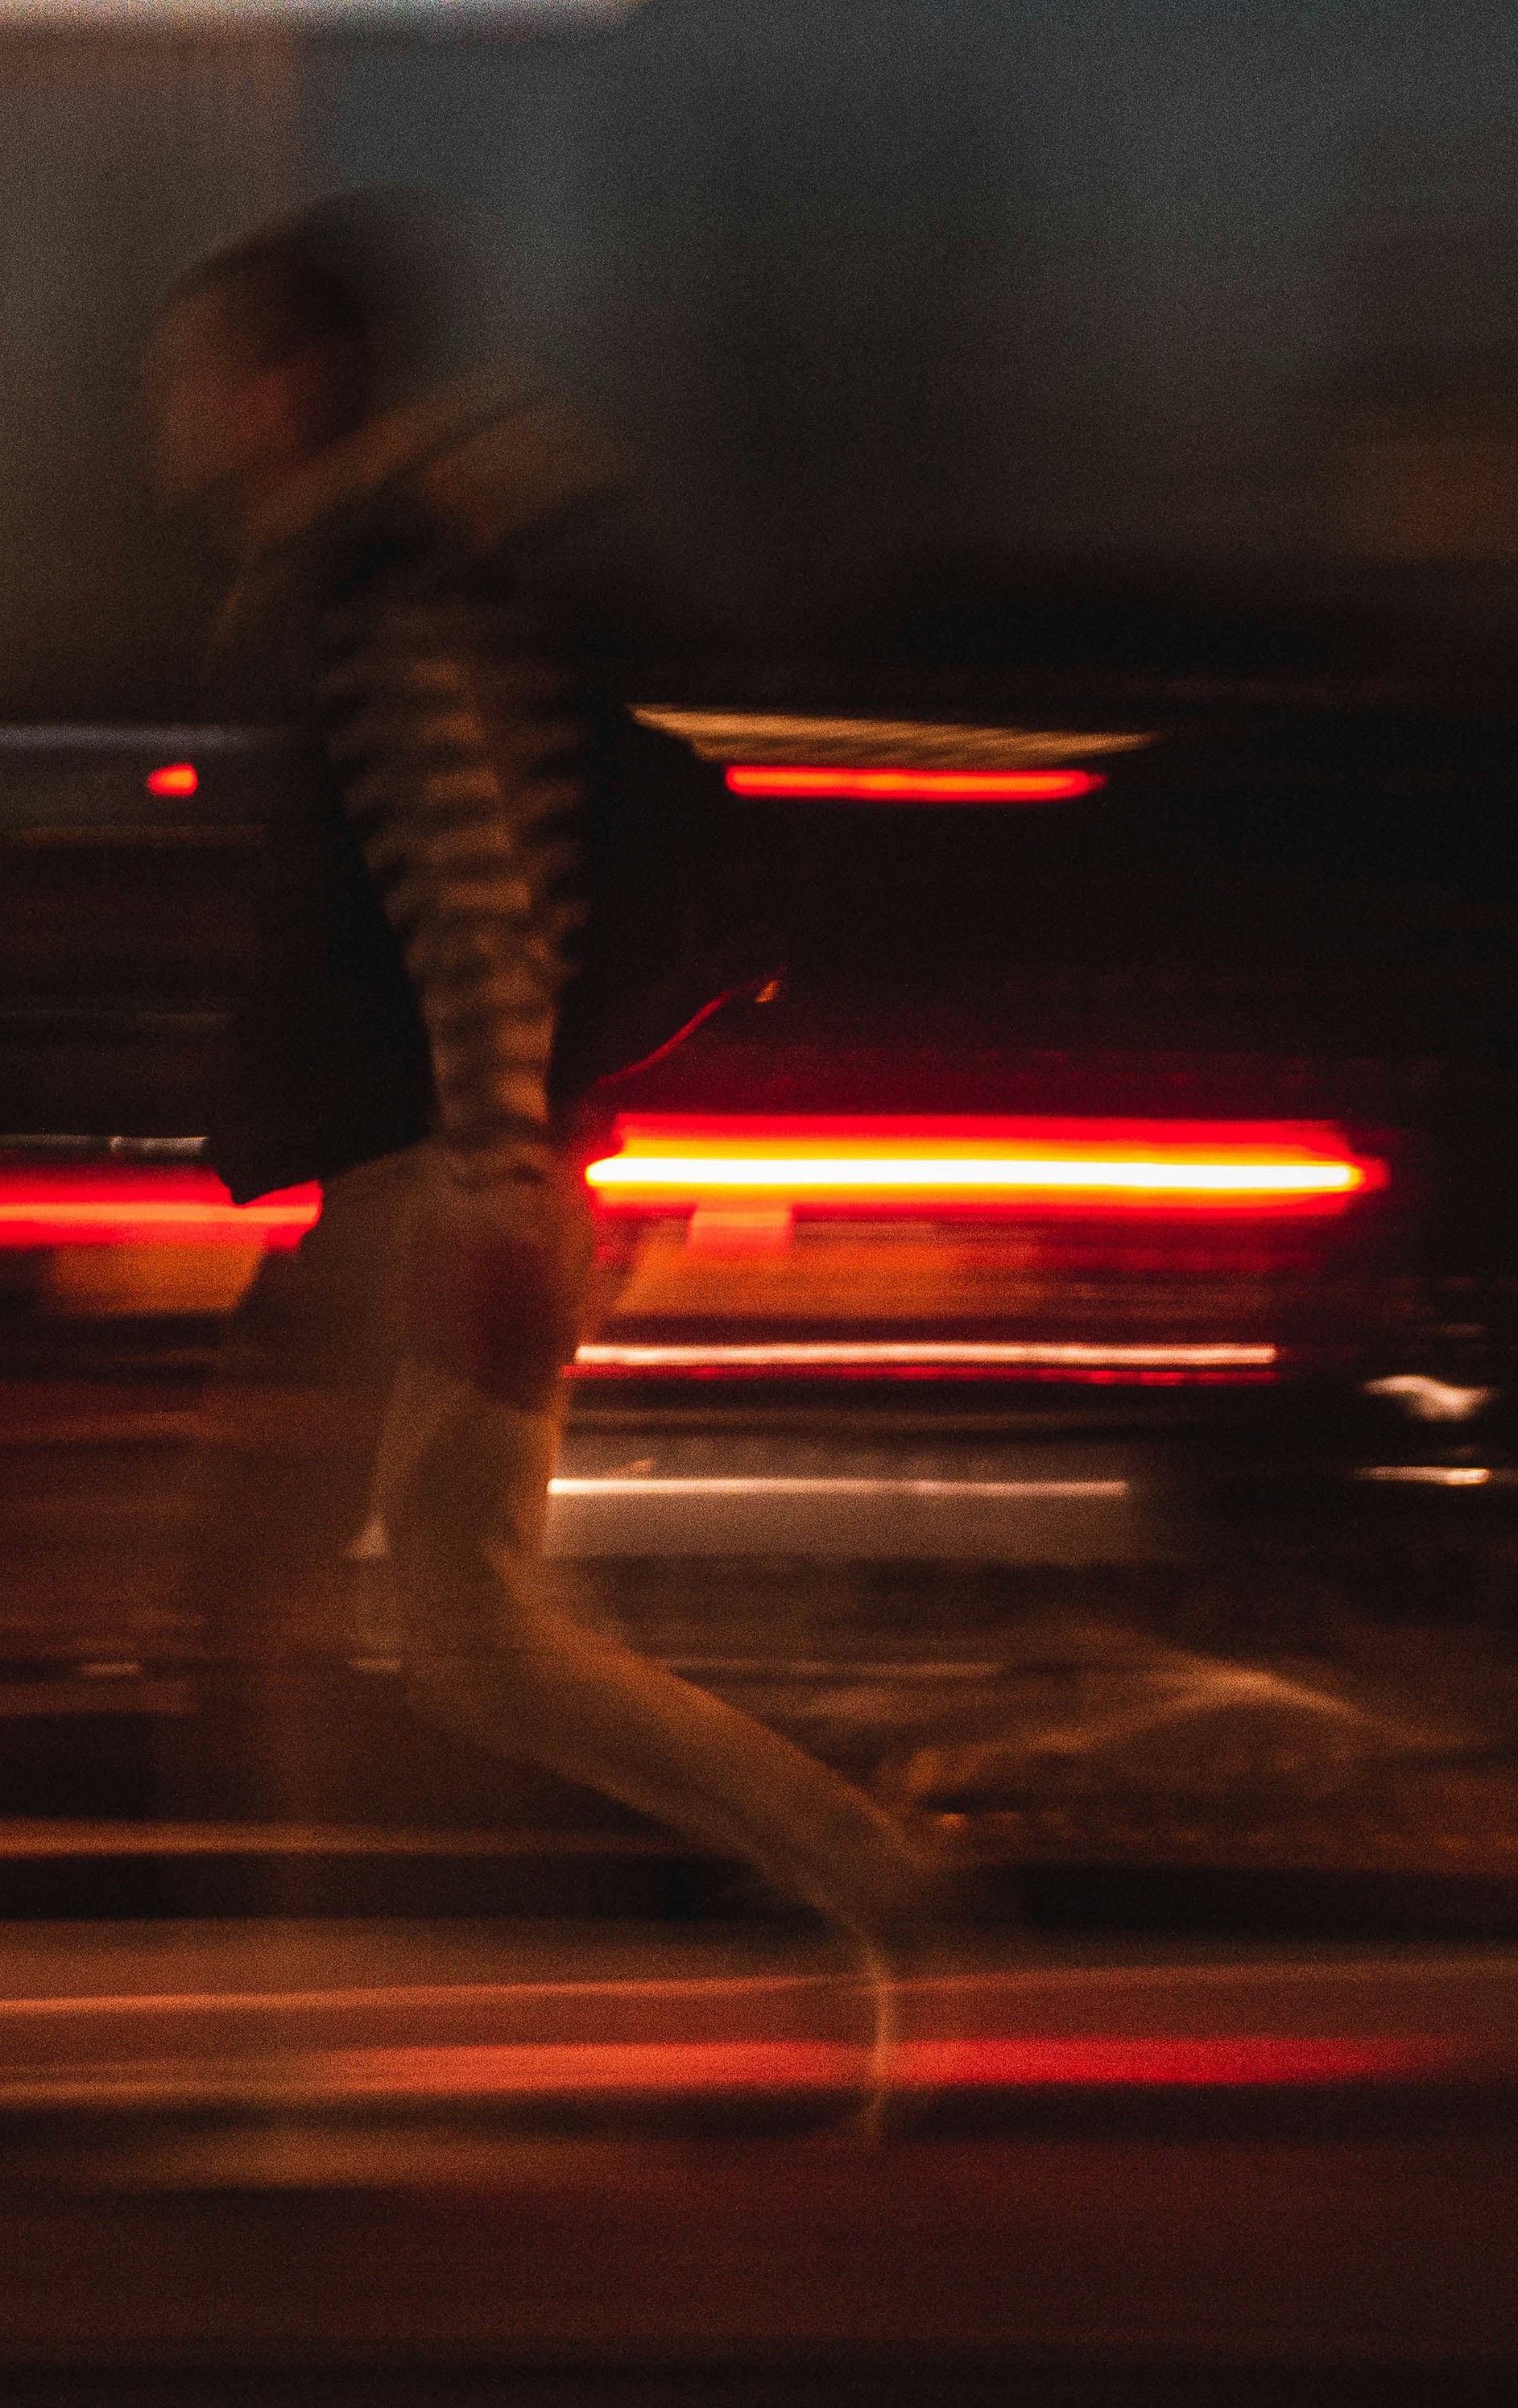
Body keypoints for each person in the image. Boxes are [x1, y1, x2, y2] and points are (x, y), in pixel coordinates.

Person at [142, 194, 939, 2126]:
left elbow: (480, 904)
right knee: (452, 1631)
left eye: (203, 369)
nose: (177, 408)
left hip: (440, 1174)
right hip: (423, 1166)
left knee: (277, 1602)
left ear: (291, 379)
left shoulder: (389, 592)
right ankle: (858, 1873)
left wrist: (496, 1186)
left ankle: (301, 2084)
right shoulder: (360, 574)